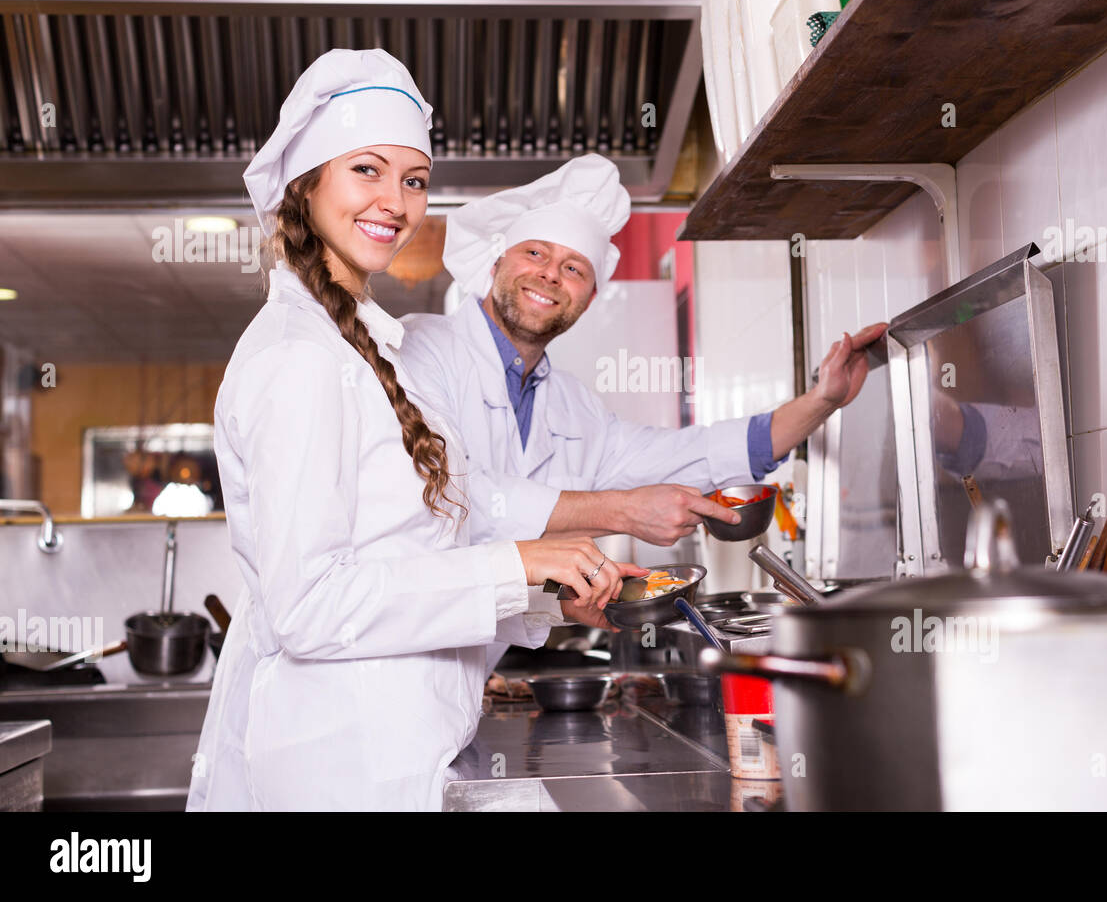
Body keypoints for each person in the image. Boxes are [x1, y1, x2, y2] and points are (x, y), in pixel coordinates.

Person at [187, 50, 632, 812]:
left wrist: (545, 599)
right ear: (309, 182)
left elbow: (403, 560)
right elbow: (309, 606)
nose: (395, 200)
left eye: (415, 179)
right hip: (339, 769)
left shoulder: (366, 342)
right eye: (367, 169)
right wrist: (514, 561)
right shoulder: (299, 356)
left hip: (401, 757)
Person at [399, 154, 886, 588]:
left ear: (587, 301)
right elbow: (451, 495)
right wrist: (624, 511)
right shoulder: (421, 350)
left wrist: (822, 399)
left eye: (574, 268)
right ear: (496, 261)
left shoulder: (573, 406)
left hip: (468, 668)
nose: (550, 273)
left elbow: (685, 455)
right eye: (535, 252)